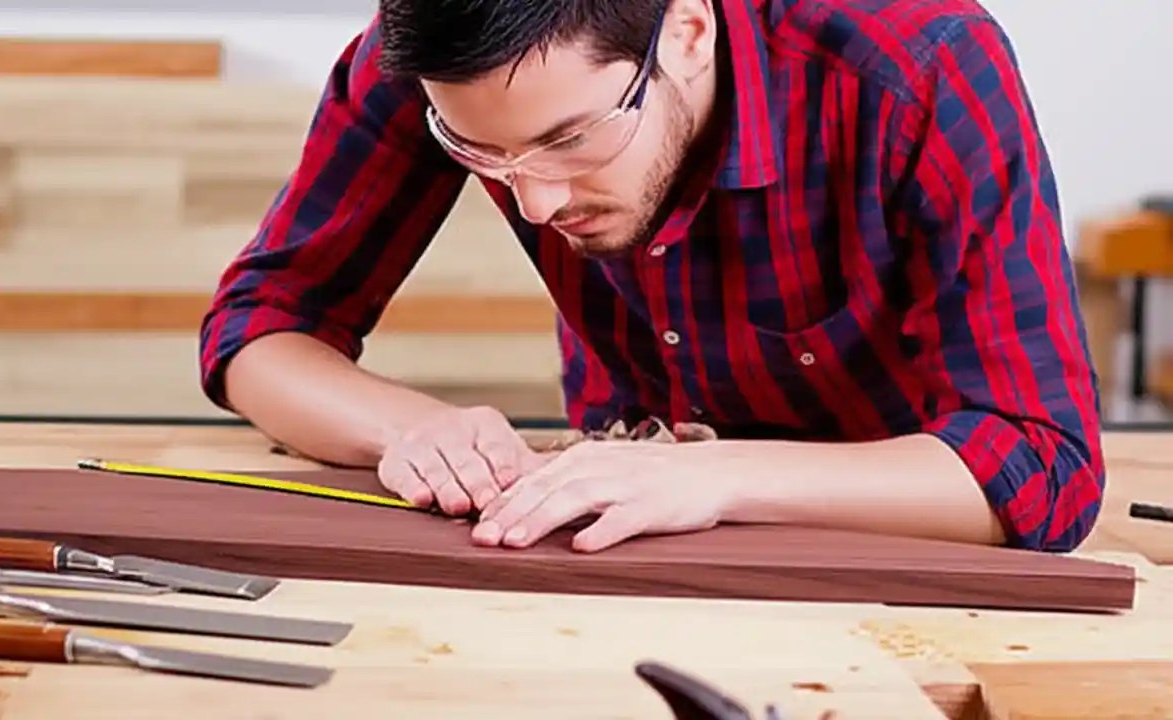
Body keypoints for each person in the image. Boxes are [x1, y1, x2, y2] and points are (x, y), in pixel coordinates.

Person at [198, 0, 1106, 556]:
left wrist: (711, 481)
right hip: (620, 545)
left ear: (688, 28)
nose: (537, 200)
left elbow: (1042, 466)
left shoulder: (919, 64)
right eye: (485, 154)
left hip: (901, 552)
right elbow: (257, 327)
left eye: (573, 139)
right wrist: (416, 430)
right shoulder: (445, 63)